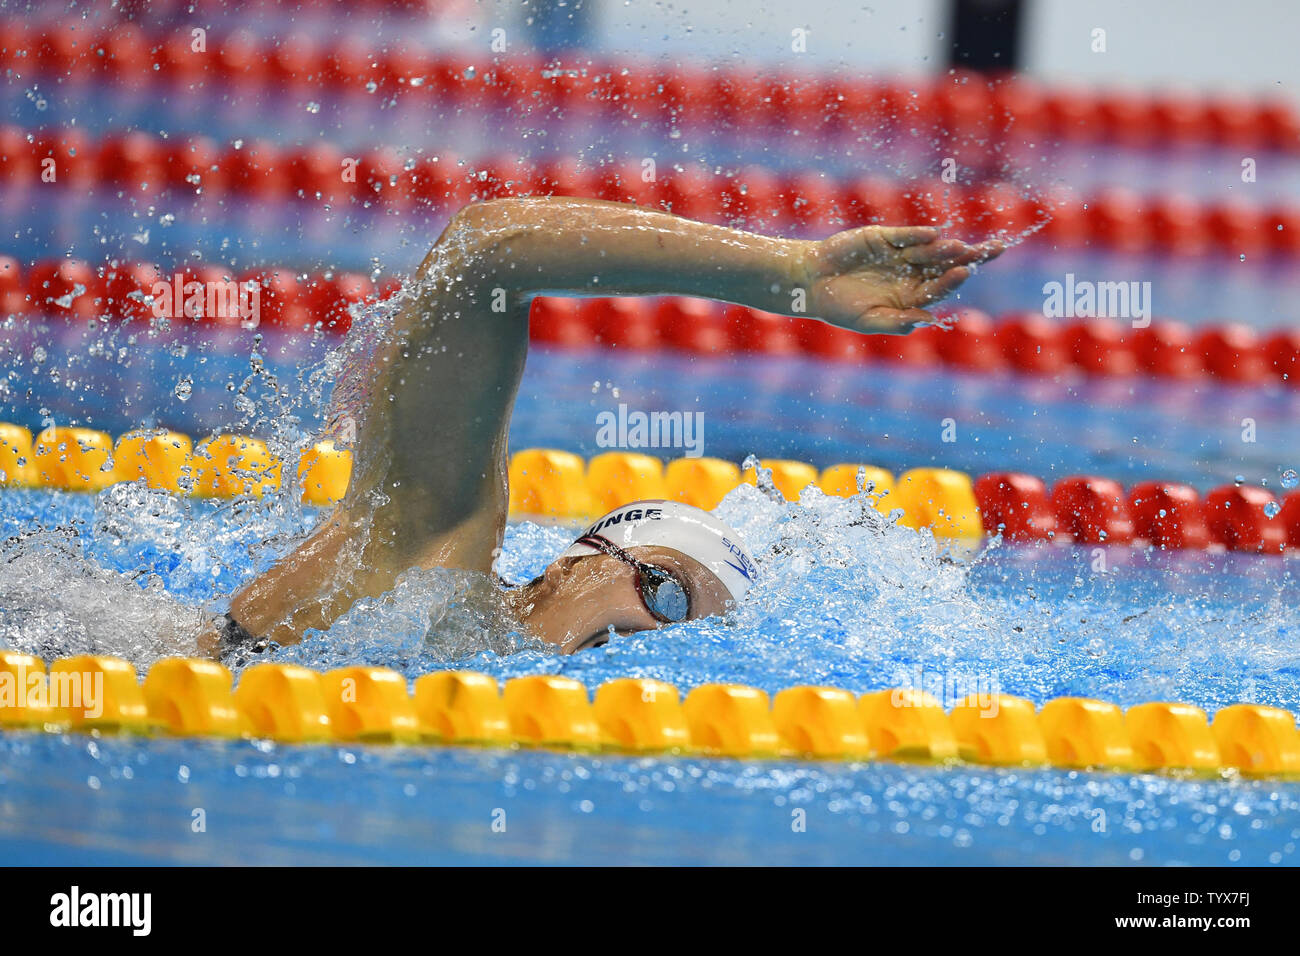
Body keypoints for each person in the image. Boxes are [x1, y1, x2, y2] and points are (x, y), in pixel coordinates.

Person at [201, 196, 1003, 660]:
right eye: (666, 597)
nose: (649, 649)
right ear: (570, 567)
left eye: (693, 643)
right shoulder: (427, 563)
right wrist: (786, 275)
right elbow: (488, 251)